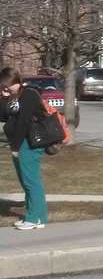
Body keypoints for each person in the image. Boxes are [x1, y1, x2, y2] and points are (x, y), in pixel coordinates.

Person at [1, 68, 49, 231]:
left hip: (29, 142)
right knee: (26, 181)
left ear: (18, 82)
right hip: (20, 141)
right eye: (3, 86)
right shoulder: (13, 97)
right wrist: (4, 98)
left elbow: (23, 122)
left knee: (31, 181)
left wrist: (15, 147)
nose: (6, 89)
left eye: (8, 86)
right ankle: (37, 217)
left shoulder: (29, 95)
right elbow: (3, 116)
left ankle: (34, 217)